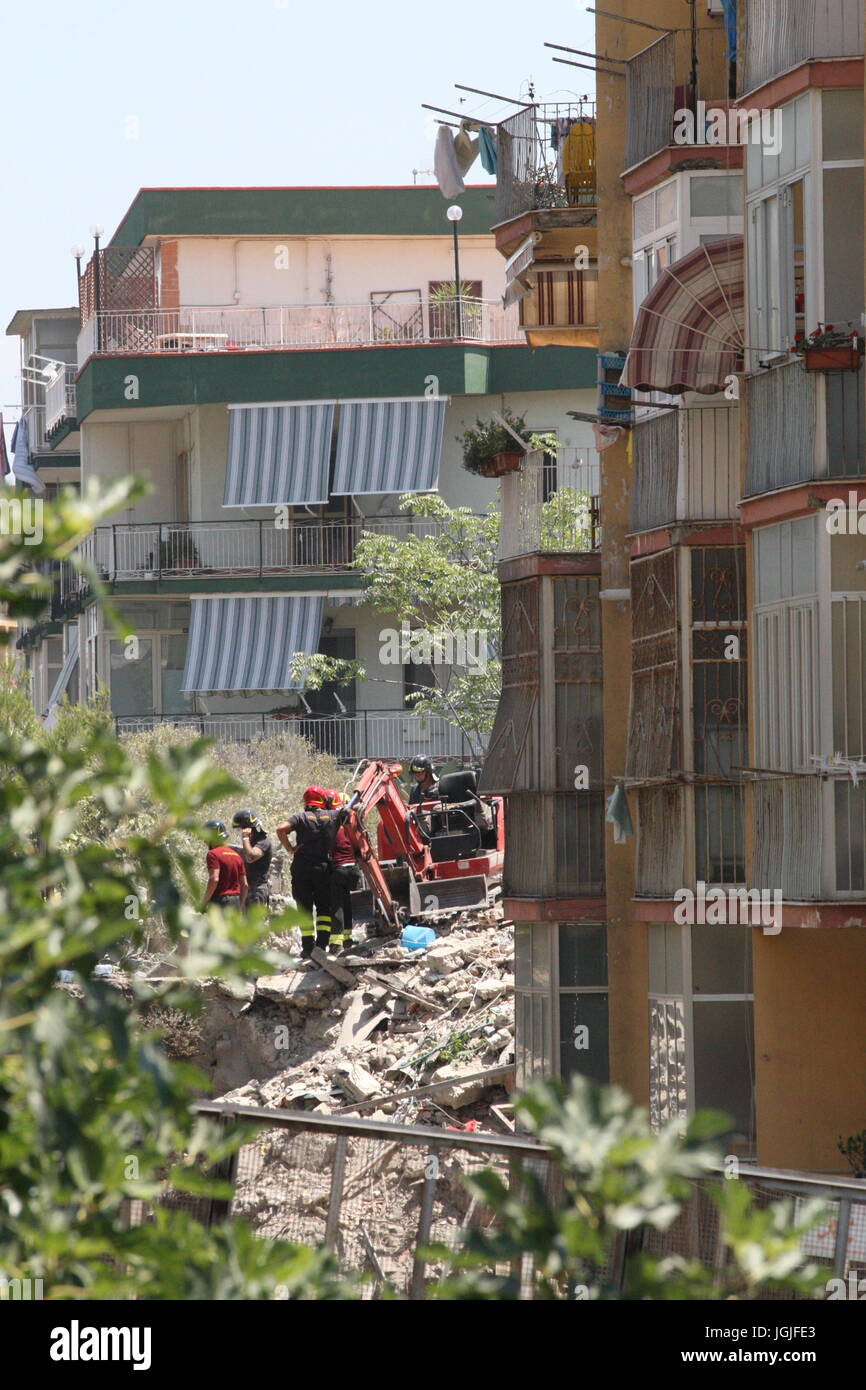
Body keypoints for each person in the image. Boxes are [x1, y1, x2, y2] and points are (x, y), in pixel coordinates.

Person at [276, 787, 340, 958]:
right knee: (323, 908)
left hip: (302, 868)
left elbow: (280, 829)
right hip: (323, 868)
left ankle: (307, 948)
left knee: (303, 908)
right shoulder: (332, 816)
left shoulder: (301, 817)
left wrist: (290, 848)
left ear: (306, 802)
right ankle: (321, 945)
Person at [324, 790, 361, 953]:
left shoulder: (332, 828)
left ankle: (336, 944)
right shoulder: (352, 826)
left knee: (337, 906)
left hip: (339, 869)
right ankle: (347, 938)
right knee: (347, 903)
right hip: (353, 869)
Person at [202, 820, 247, 913]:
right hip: (235, 902)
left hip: (220, 902)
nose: (204, 841)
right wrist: (240, 904)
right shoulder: (236, 856)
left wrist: (204, 903)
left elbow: (214, 879)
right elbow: (245, 885)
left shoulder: (213, 854)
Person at [231, 809, 273, 910]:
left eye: (240, 829)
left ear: (248, 829)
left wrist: (245, 838)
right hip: (246, 888)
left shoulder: (263, 842)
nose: (239, 832)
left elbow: (251, 856)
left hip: (256, 891)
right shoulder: (251, 843)